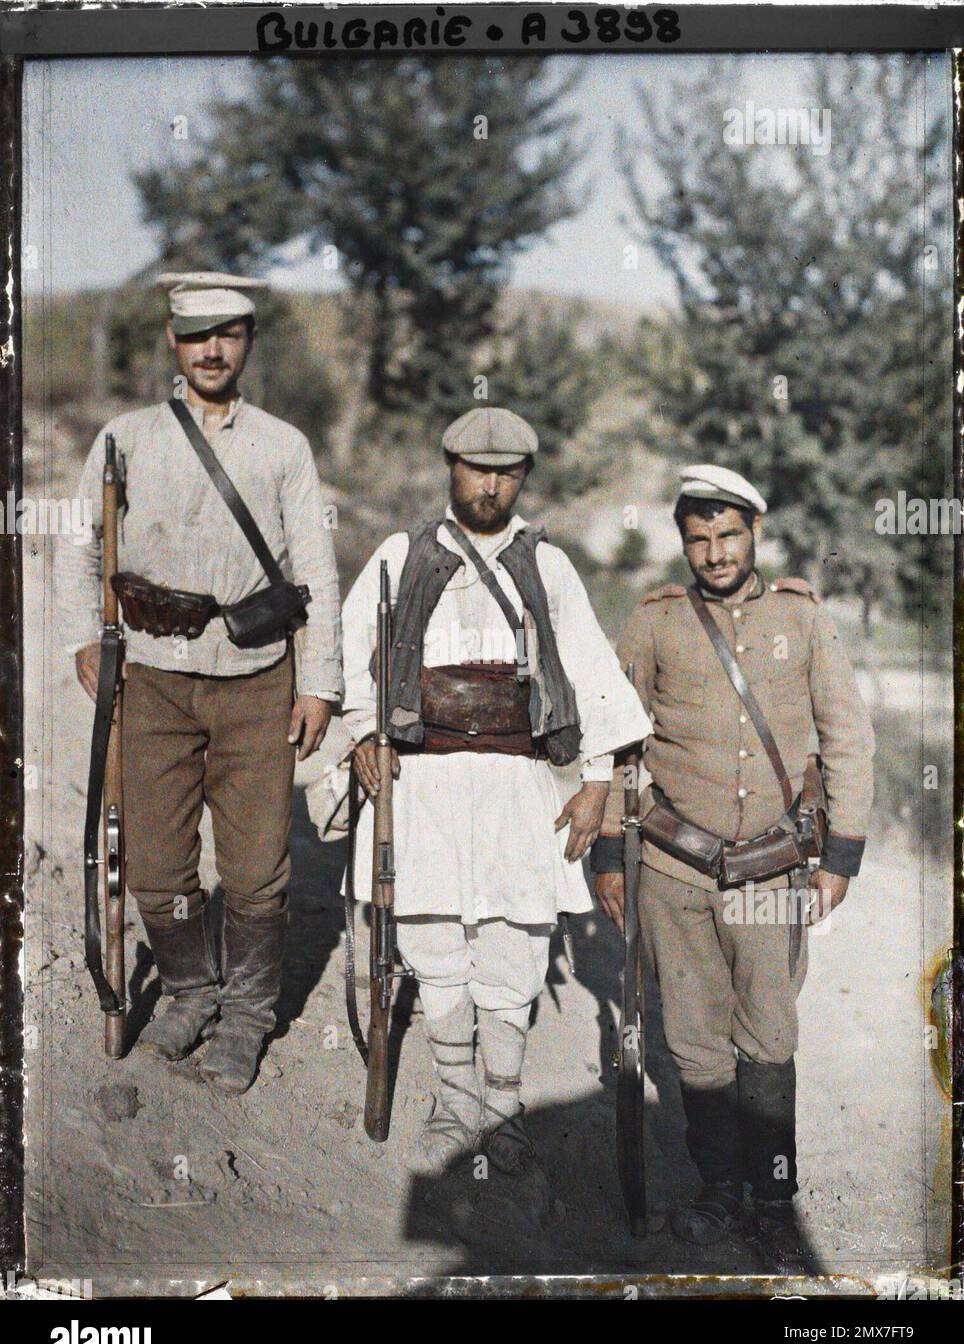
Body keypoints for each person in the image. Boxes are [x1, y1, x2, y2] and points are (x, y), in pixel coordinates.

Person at [341, 406, 650, 1174]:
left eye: (508, 470)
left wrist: (599, 783)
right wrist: (358, 732)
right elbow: (349, 655)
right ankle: (454, 1099)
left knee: (515, 938)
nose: (492, 483)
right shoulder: (399, 556)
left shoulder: (549, 566)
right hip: (425, 777)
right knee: (433, 931)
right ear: (450, 466)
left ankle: (503, 1105)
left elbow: (593, 674)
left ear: (524, 477)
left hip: (521, 781)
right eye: (478, 468)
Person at [57, 271, 343, 1093]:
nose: (212, 350)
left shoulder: (283, 445)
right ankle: (188, 991)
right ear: (172, 344)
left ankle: (247, 1019)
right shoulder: (126, 436)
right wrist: (86, 637)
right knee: (154, 863)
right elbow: (84, 548)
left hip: (256, 679)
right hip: (149, 675)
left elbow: (314, 568)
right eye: (195, 336)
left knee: (256, 869)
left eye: (228, 334)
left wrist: (318, 684)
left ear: (249, 340)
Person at [592, 464, 874, 1262]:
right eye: (698, 539)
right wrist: (613, 852)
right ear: (683, 544)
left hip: (770, 873)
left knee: (770, 1039)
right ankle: (719, 1190)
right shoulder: (654, 623)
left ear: (755, 532)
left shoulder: (804, 619)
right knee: (696, 1045)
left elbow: (846, 734)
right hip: (675, 873)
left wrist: (840, 856)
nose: (715, 553)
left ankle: (774, 1202)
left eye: (728, 535)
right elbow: (618, 746)